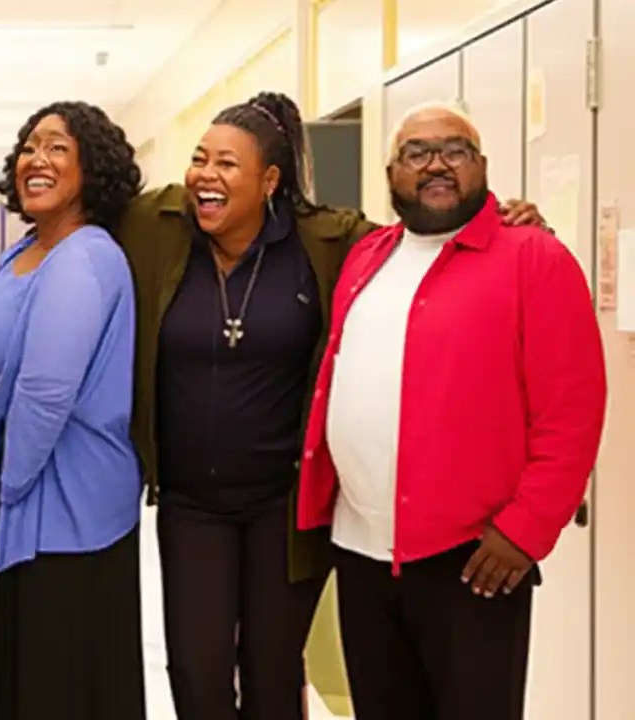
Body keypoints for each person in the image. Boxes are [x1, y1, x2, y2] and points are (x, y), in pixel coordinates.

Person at [115, 90, 549, 718]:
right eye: (200, 159)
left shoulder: (332, 241)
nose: (206, 176)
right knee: (196, 671)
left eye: (227, 164)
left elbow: (430, 242)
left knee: (272, 672)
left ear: (269, 179)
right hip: (190, 503)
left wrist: (509, 229)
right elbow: (91, 206)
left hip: (285, 507)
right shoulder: (157, 227)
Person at [297, 102, 605, 720]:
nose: (437, 164)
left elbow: (572, 410)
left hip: (474, 559)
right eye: (417, 152)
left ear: (482, 165)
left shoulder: (534, 259)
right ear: (391, 173)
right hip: (361, 552)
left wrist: (526, 530)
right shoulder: (368, 256)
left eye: (455, 150)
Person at [0, 101, 146, 719]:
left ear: (92, 168)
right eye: (29, 146)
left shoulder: (83, 256)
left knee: (46, 673)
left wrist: (5, 490)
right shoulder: (29, 247)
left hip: (45, 498)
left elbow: (46, 391)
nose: (37, 159)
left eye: (57, 147)